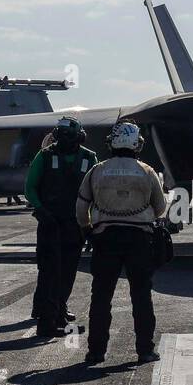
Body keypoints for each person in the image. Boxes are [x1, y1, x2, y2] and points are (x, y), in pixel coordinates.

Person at [75, 122, 168, 365]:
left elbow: (81, 207)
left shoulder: (97, 170)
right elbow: (160, 209)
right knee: (141, 296)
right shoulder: (147, 171)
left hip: (105, 239)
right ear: (137, 144)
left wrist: (88, 231)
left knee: (101, 297)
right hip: (139, 240)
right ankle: (145, 351)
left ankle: (96, 352)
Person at [25, 117, 97, 338]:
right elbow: (30, 187)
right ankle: (47, 322)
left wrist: (90, 223)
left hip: (75, 225)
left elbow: (97, 191)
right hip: (51, 224)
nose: (65, 140)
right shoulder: (45, 156)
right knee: (50, 273)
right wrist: (42, 211)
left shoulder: (89, 158)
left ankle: (58, 314)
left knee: (67, 273)